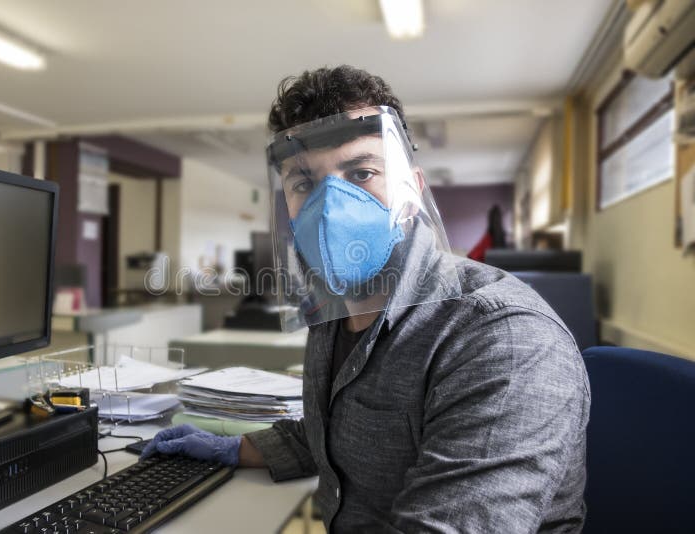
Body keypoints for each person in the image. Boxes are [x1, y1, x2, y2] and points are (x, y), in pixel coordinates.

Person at [142, 66, 590, 533]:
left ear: (411, 190)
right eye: (303, 183)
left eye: (361, 172)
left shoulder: (503, 338)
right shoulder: (332, 310)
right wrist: (234, 448)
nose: (331, 206)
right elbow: (340, 436)